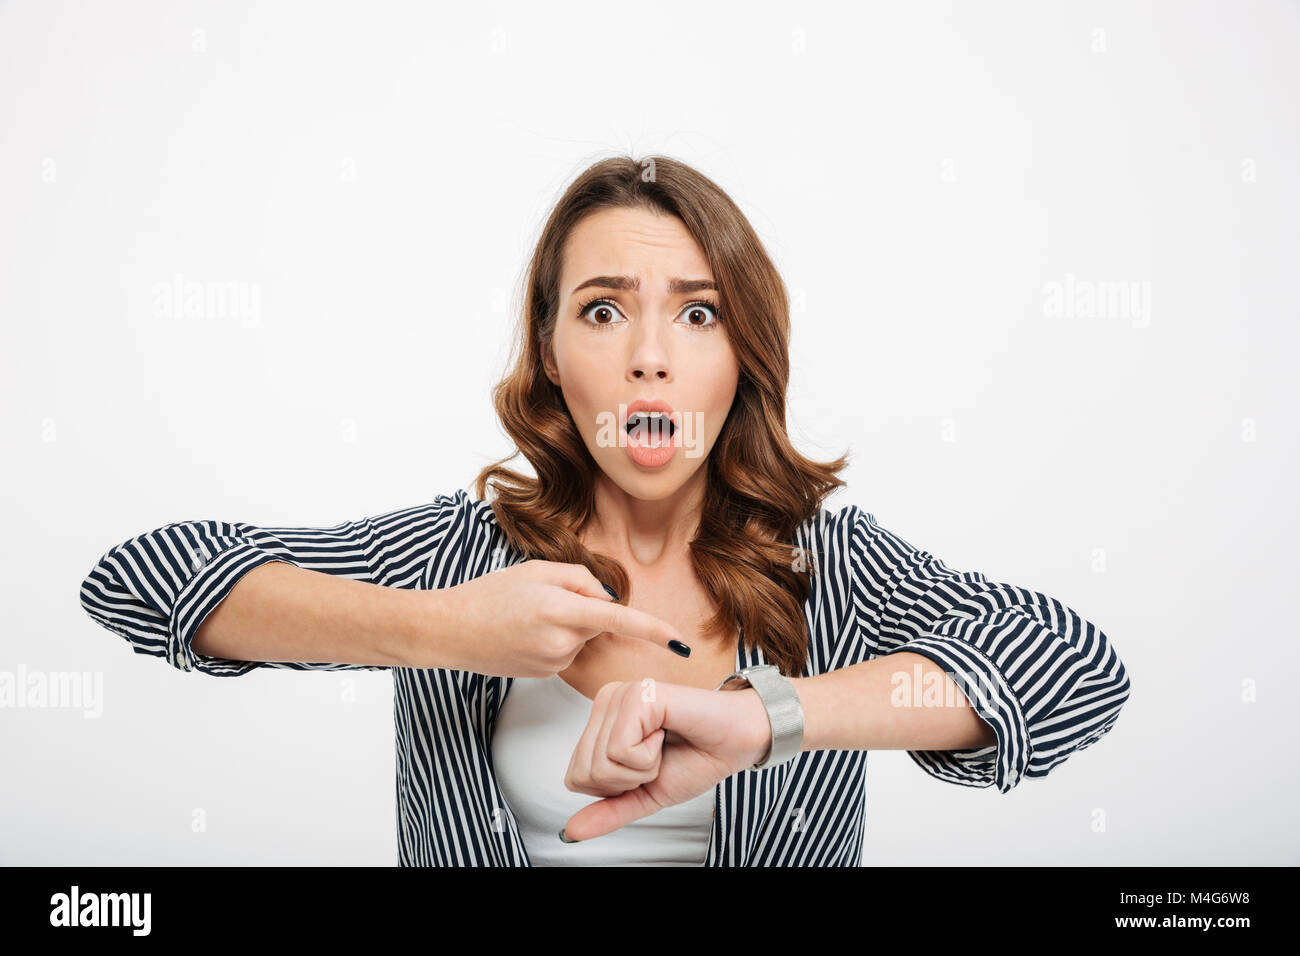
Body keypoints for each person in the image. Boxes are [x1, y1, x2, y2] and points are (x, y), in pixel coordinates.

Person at [78, 154, 1131, 867]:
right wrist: (447, 629)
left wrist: (766, 717)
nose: (649, 354)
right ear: (549, 350)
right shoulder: (460, 553)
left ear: (741, 353)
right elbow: (141, 578)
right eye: (602, 308)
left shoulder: (826, 564)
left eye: (698, 311)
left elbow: (1072, 666)